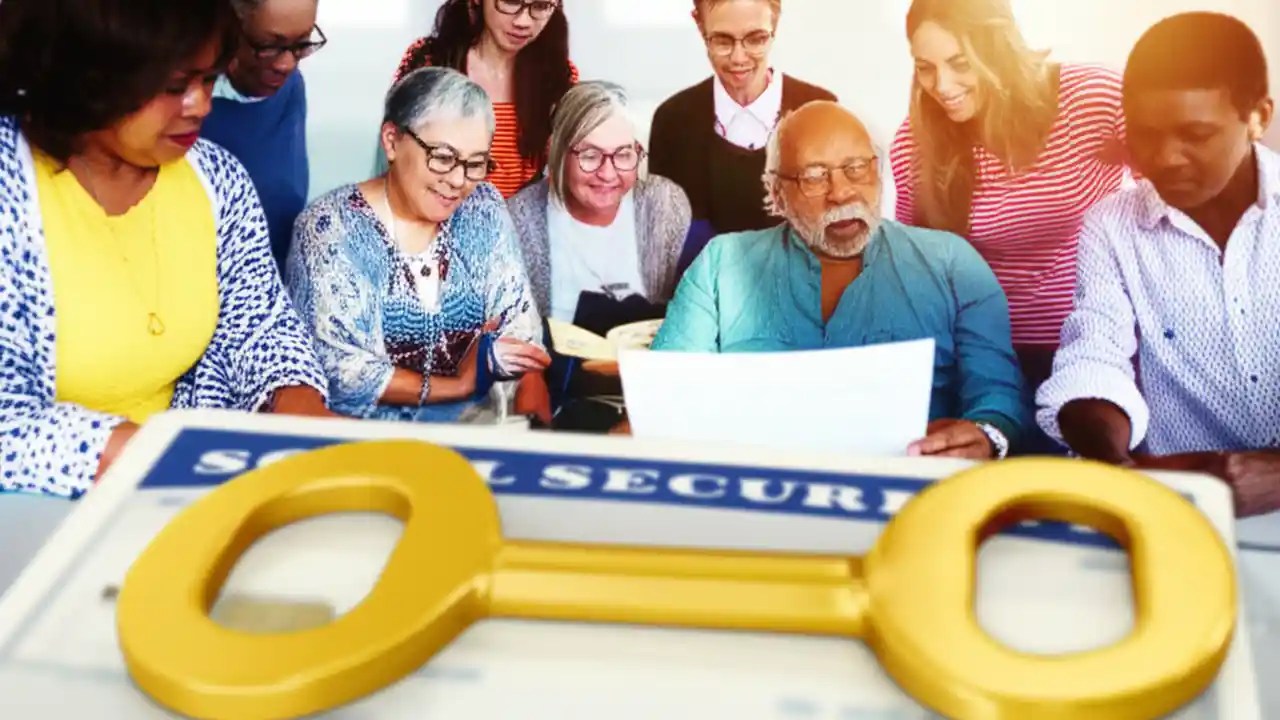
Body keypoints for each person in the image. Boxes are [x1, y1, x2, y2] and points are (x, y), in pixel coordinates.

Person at [0, 0, 332, 498]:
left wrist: (303, 418)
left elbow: (260, 326)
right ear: (88, 77)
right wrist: (161, 455)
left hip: (183, 487)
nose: (200, 105)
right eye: (175, 86)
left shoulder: (217, 179)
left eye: (207, 79)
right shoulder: (11, 191)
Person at [652, 101, 1030, 459]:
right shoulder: (721, 265)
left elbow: (999, 397)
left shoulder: (952, 264)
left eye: (856, 168)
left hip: (911, 492)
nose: (841, 193)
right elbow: (666, 395)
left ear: (878, 173)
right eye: (814, 177)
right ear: (775, 193)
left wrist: (986, 436)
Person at [1035, 12, 1280, 517]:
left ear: (1259, 116)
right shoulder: (1111, 227)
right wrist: (1113, 461)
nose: (1165, 158)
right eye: (1146, 134)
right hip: (1177, 513)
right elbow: (1095, 357)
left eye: (1196, 134)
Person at [889, 0, 1129, 399]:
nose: (943, 86)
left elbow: (1169, 195)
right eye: (925, 67)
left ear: (999, 46)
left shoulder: (1091, 99)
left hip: (1097, 348)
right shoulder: (915, 146)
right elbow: (919, 275)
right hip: (986, 357)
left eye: (960, 62)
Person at [288, 67, 550, 424]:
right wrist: (460, 383)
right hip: (372, 441)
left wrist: (502, 358)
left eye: (476, 164)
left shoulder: (483, 206)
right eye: (442, 158)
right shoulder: (329, 227)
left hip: (484, 429)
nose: (458, 181)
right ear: (392, 141)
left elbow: (518, 320)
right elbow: (340, 370)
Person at [507, 81, 691, 428]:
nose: (608, 174)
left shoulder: (665, 205)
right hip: (561, 394)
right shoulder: (519, 218)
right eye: (589, 156)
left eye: (623, 154)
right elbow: (503, 322)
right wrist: (529, 380)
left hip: (651, 390)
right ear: (557, 152)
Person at [648, 0, 835, 269]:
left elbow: (835, 241)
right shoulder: (672, 123)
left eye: (755, 39)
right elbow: (665, 254)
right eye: (722, 40)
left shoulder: (820, 112)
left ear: (775, 25)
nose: (738, 57)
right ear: (699, 25)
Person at [391, 0, 576, 198]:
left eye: (540, 6)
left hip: (518, 223)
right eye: (511, 2)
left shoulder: (558, 75)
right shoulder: (430, 61)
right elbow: (398, 158)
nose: (523, 21)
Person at [201, 0, 324, 271]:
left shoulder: (289, 88)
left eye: (301, 44)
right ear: (228, 26)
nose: (287, 64)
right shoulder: (180, 109)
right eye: (269, 46)